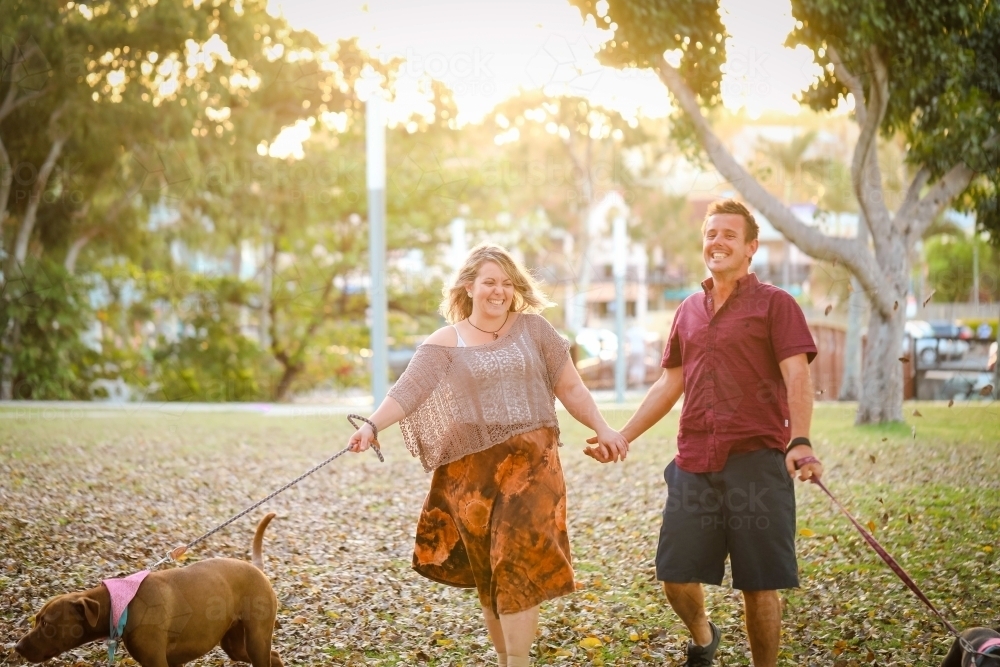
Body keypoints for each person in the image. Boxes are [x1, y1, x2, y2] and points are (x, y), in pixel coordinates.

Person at [347, 243, 629, 667]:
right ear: (468, 286)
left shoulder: (535, 330)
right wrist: (370, 426)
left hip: (532, 470)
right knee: (490, 570)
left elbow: (570, 388)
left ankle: (518, 661)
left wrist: (602, 427)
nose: (499, 291)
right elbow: (407, 393)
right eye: (489, 282)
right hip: (470, 476)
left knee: (518, 562)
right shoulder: (445, 342)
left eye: (506, 283)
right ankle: (506, 659)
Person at [587, 199, 823, 667]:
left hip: (756, 459)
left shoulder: (776, 304)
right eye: (711, 234)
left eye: (729, 235)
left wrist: (800, 440)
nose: (717, 242)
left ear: (751, 247)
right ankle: (703, 637)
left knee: (759, 584)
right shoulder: (689, 310)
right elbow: (670, 380)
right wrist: (625, 434)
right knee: (674, 574)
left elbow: (797, 376)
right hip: (694, 460)